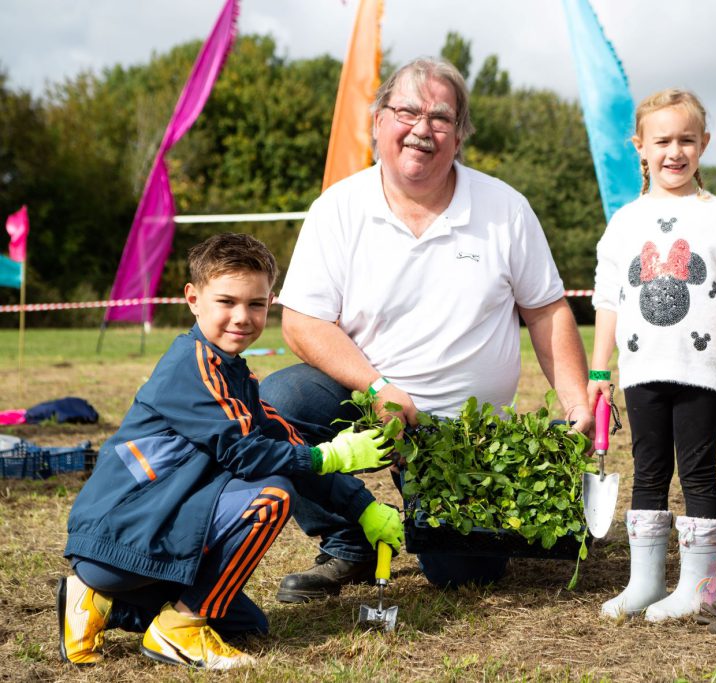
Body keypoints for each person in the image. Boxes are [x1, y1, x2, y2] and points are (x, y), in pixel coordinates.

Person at [260, 56, 593, 597]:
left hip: (464, 434)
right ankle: (350, 538)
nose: (422, 130)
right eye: (407, 112)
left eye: (441, 118)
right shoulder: (338, 208)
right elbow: (301, 321)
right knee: (275, 405)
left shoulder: (505, 208)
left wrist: (577, 404)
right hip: (366, 399)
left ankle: (424, 512)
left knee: (466, 576)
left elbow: (546, 311)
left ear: (460, 134)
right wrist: (376, 388)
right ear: (377, 121)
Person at [59, 233, 398, 669]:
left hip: (142, 537)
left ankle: (96, 602)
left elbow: (282, 437)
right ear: (193, 298)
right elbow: (249, 455)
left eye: (256, 304)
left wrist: (363, 506)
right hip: (124, 538)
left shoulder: (231, 371)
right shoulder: (193, 366)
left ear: (270, 303)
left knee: (247, 626)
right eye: (227, 302)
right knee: (273, 494)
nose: (242, 317)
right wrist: (325, 456)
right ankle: (180, 630)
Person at [587, 89, 716, 622]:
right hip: (643, 367)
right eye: (662, 140)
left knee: (698, 470)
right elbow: (608, 299)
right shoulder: (626, 221)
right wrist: (599, 371)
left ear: (704, 145)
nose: (674, 151)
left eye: (687, 140)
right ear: (640, 147)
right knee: (648, 468)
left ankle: (698, 590)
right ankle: (644, 583)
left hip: (703, 368)